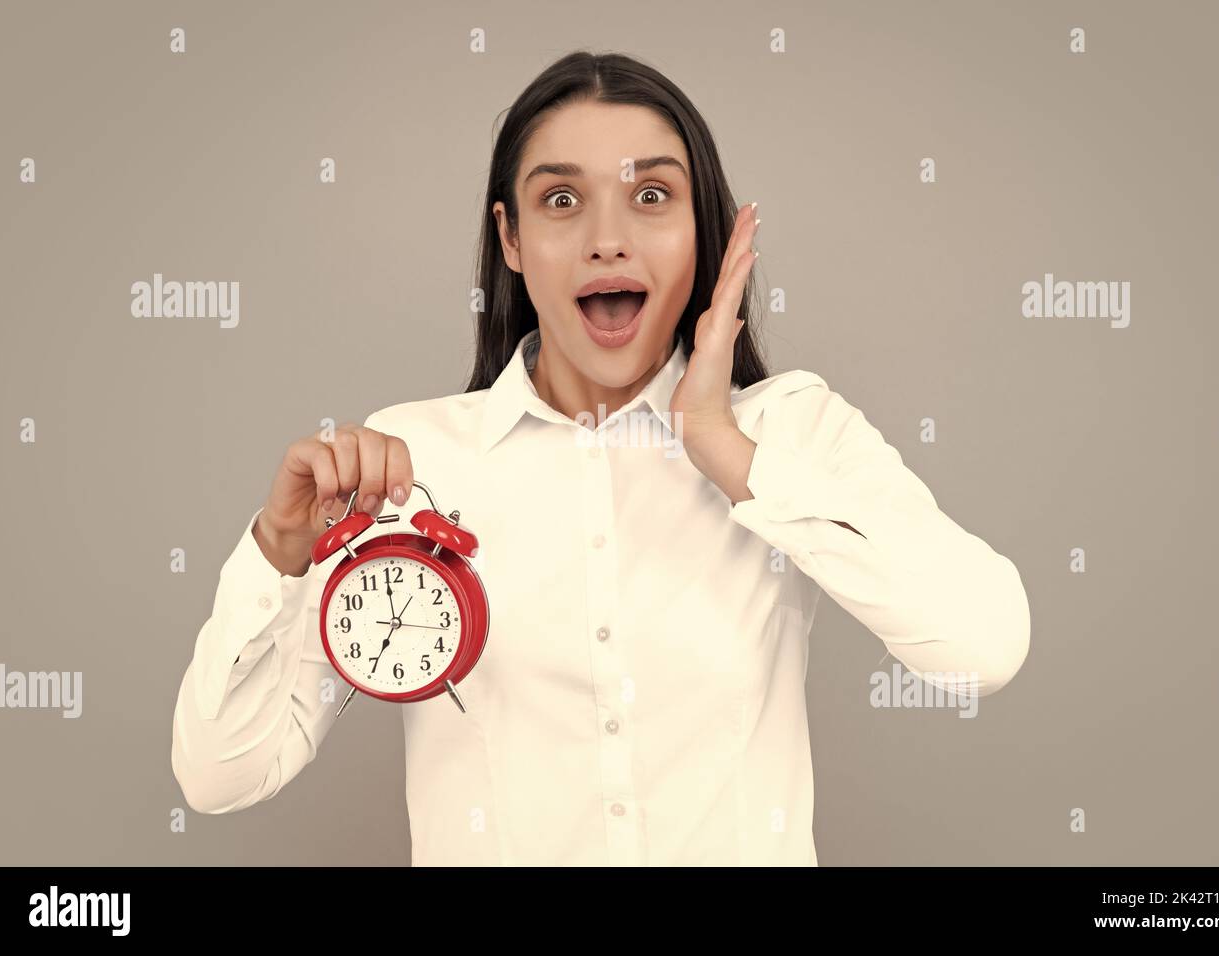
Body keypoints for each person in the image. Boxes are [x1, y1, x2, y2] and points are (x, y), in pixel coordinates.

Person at [170, 50, 1030, 866]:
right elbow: (221, 778)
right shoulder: (408, 464)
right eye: (561, 201)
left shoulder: (787, 432)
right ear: (509, 238)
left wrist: (725, 450)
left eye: (652, 195)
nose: (607, 242)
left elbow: (983, 647)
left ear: (706, 232)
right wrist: (278, 553)